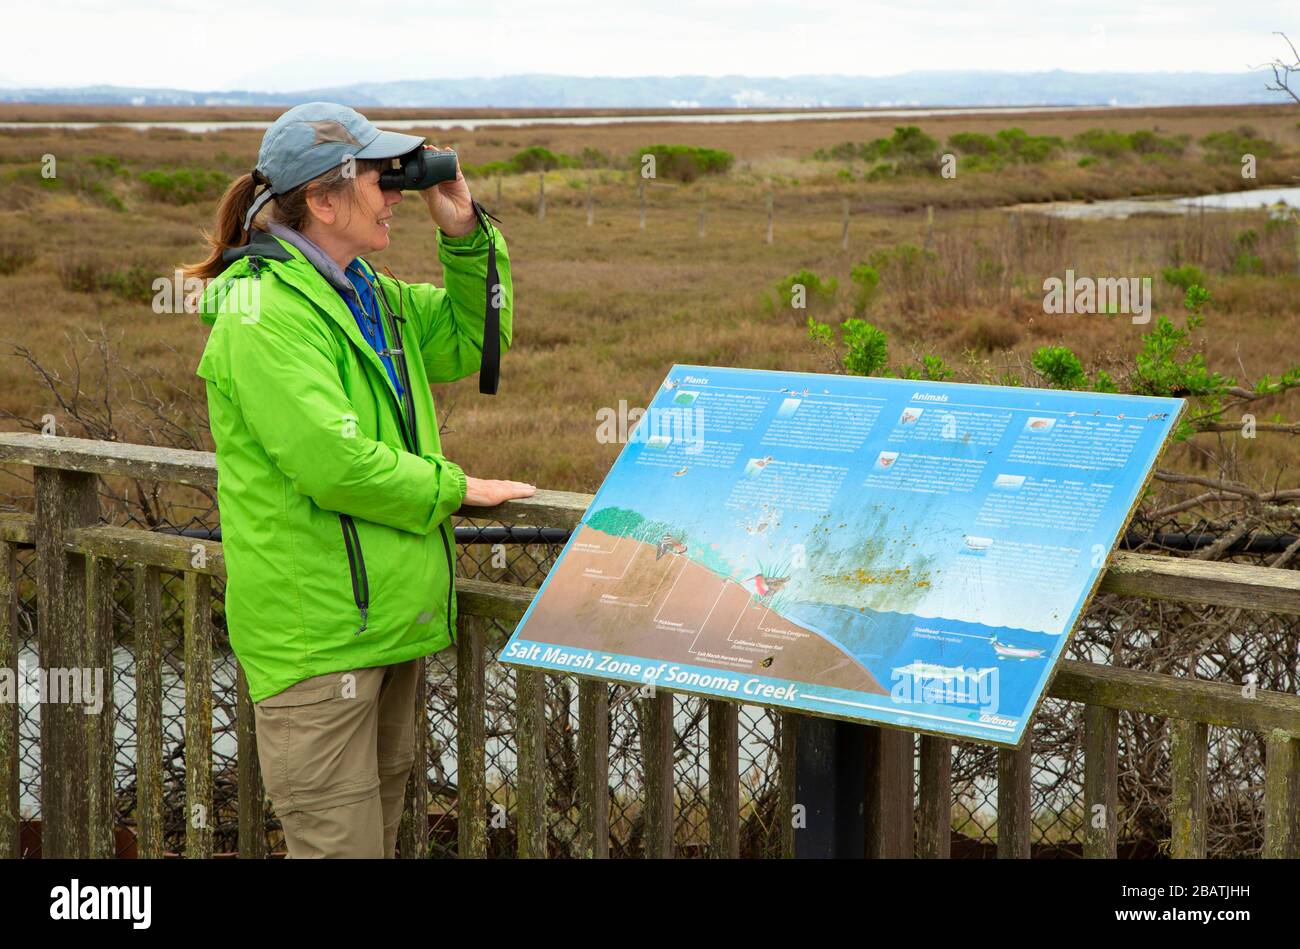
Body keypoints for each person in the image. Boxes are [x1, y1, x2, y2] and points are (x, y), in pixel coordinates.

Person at [186, 102, 535, 858]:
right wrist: (451, 487)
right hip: (318, 647)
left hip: (383, 629)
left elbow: (478, 339)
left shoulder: (369, 294)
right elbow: (332, 462)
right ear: (322, 199)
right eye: (381, 178)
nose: (396, 194)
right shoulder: (261, 313)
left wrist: (466, 233)